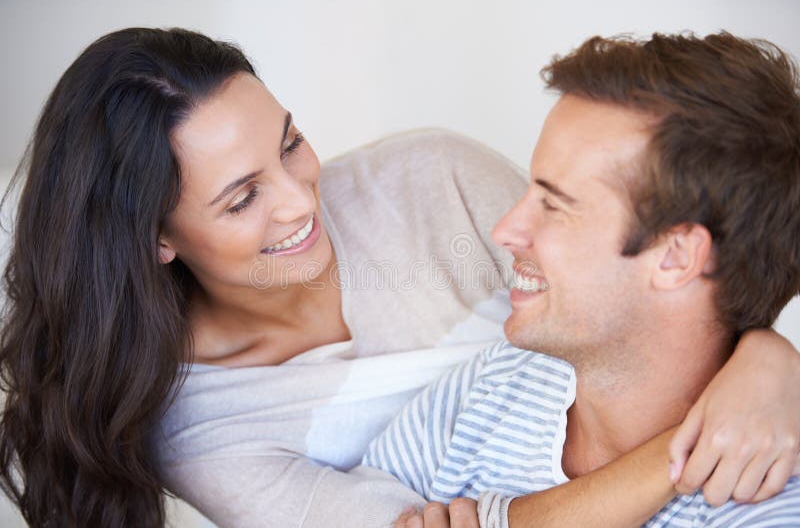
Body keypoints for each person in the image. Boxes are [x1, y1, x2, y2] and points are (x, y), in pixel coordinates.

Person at [0, 27, 797, 528]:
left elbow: (651, 277)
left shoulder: (429, 178)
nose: (299, 200)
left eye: (290, 144)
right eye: (242, 198)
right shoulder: (207, 430)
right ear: (156, 239)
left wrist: (771, 357)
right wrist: (691, 453)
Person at [365, 32, 800, 527]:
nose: (505, 230)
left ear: (675, 257)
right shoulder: (502, 383)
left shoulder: (764, 511)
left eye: (554, 204)